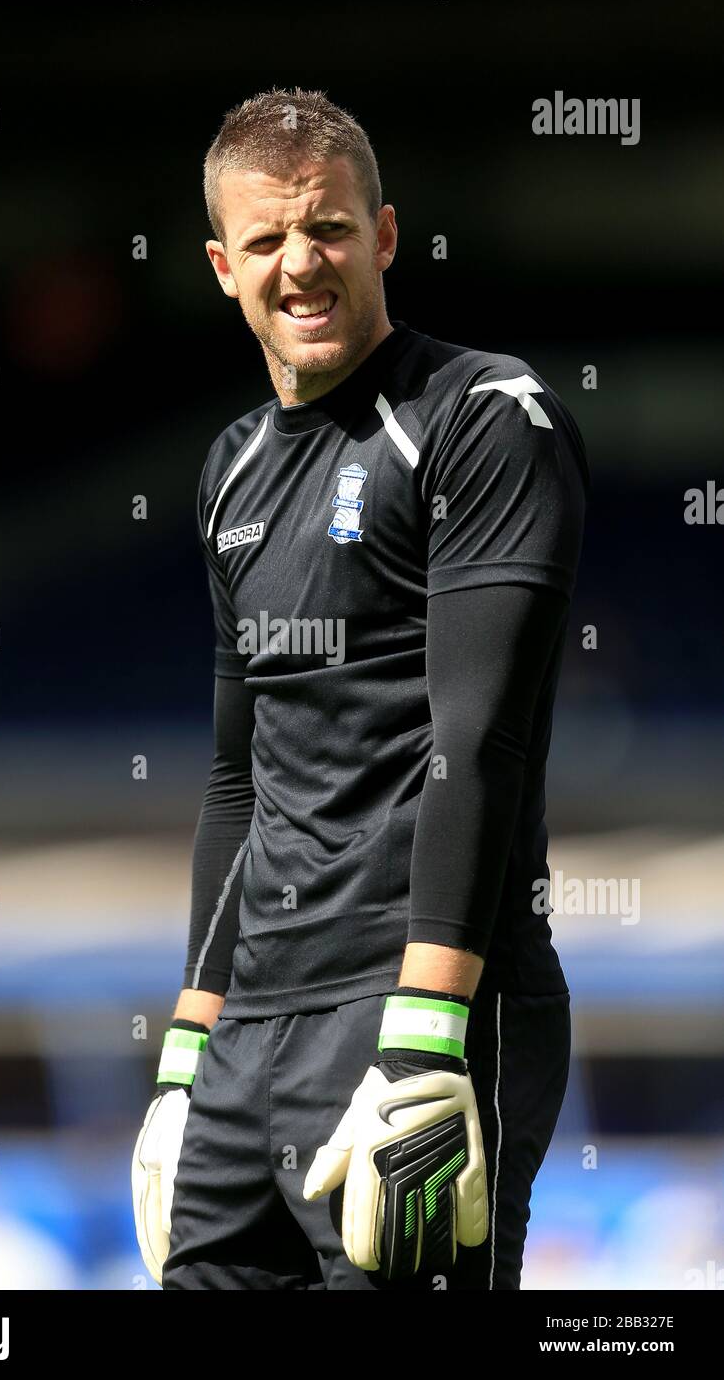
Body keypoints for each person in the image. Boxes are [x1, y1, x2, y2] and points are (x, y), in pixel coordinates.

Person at [132, 86, 590, 1291]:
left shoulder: (481, 417)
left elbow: (475, 733)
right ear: (222, 266)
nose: (302, 264)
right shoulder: (227, 470)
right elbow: (239, 779)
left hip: (414, 1012)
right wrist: (187, 1053)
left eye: (328, 228)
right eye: (269, 240)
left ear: (382, 236)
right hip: (250, 1036)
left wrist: (429, 1033)